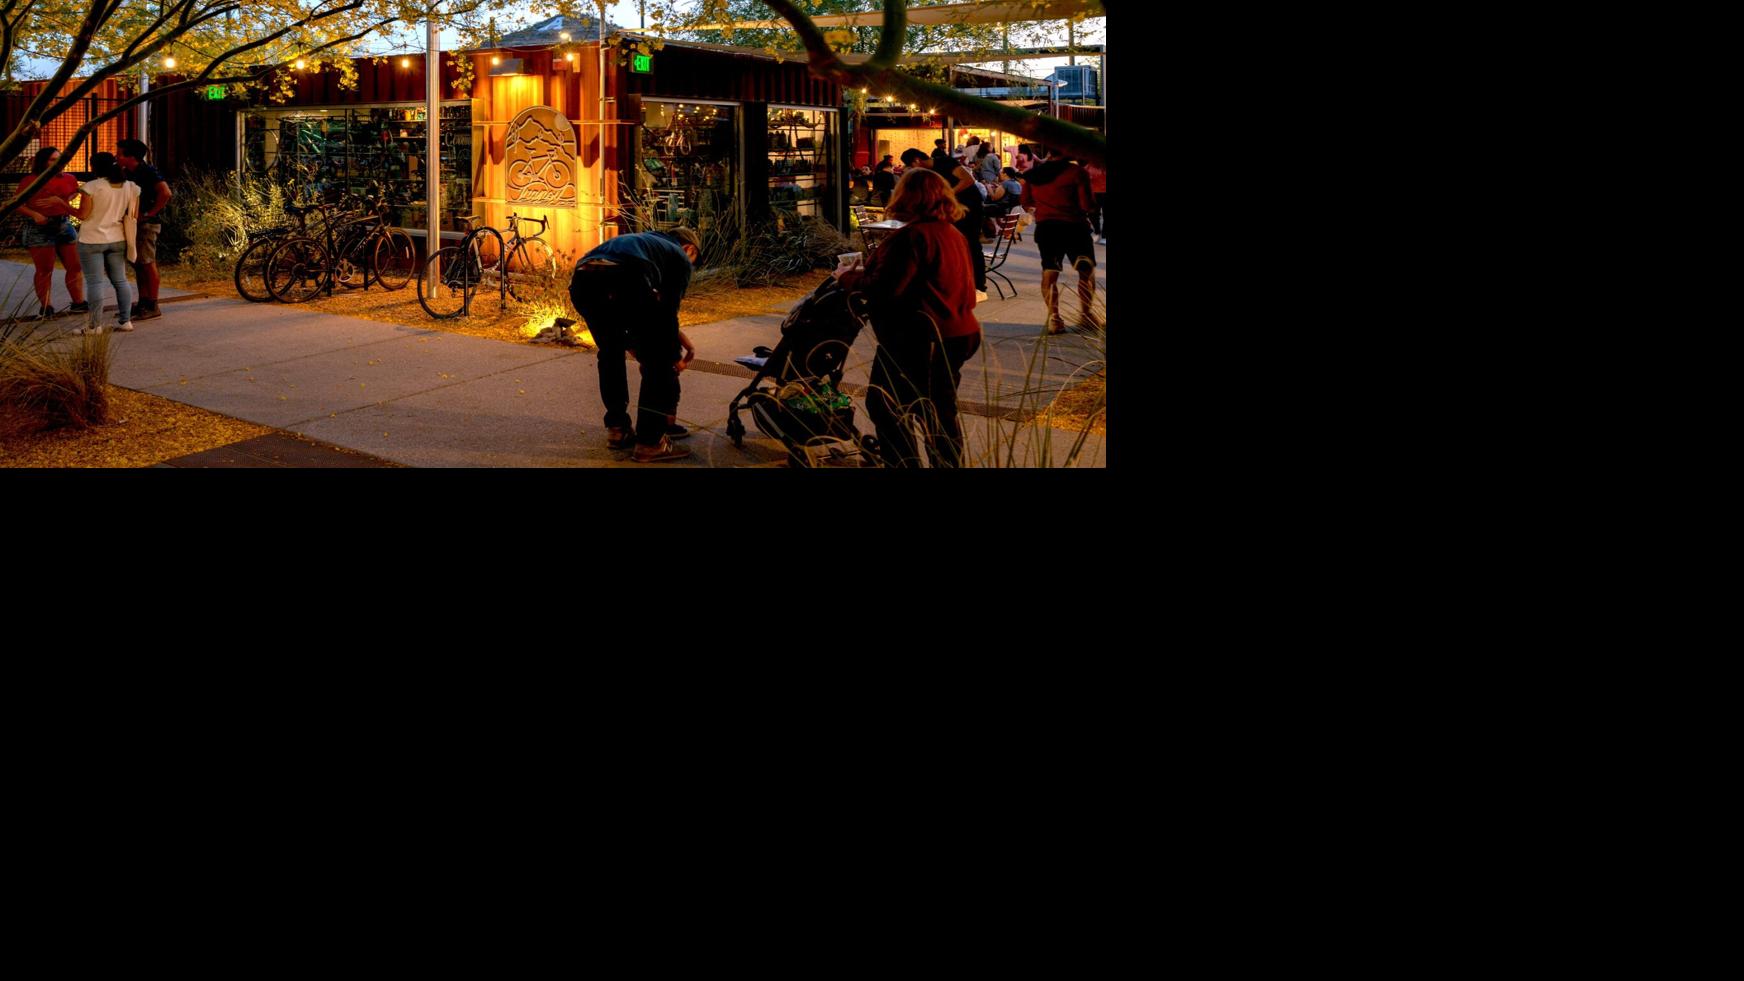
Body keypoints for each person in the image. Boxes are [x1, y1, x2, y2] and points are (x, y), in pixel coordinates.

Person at [835, 168, 981, 468]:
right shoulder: (952, 233)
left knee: (886, 405)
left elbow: (884, 288)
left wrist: (846, 278)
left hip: (917, 337)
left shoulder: (911, 237)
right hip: (956, 332)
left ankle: (903, 463)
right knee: (938, 412)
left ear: (905, 196)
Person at [567, 227, 701, 462]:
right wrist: (671, 357)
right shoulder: (678, 256)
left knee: (610, 352)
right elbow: (667, 315)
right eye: (694, 262)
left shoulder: (643, 243)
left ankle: (618, 429)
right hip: (626, 275)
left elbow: (649, 311)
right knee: (658, 362)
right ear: (689, 249)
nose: (691, 266)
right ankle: (650, 443)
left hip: (583, 279)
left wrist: (644, 349)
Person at [1020, 144, 1099, 334]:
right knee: (1085, 272)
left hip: (1047, 228)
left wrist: (1041, 210)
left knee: (1049, 272)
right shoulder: (1076, 172)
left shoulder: (1033, 174)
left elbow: (1026, 202)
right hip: (1075, 228)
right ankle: (1086, 314)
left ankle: (1054, 318)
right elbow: (1087, 205)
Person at [9, 146, 87, 319]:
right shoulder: (30, 180)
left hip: (63, 224)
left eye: (59, 158)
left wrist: (65, 200)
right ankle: (46, 308)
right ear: (43, 162)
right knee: (45, 270)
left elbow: (74, 192)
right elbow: (16, 203)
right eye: (53, 159)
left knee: (75, 266)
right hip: (39, 227)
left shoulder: (69, 178)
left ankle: (79, 303)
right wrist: (35, 214)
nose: (58, 162)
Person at [68, 152, 139, 336]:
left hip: (91, 239)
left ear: (94, 167)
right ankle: (126, 321)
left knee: (95, 282)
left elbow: (83, 215)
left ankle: (94, 326)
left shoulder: (91, 187)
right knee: (121, 280)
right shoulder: (130, 186)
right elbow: (133, 214)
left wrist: (62, 205)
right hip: (117, 238)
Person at [902, 146, 986, 302]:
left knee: (971, 244)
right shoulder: (929, 174)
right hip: (953, 210)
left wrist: (949, 194)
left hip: (970, 207)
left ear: (917, 160)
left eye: (912, 166)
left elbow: (968, 179)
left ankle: (979, 286)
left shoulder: (945, 162)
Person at [115, 138, 171, 322]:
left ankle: (152, 303)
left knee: (147, 262)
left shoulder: (148, 172)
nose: (117, 157)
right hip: (134, 222)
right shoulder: (128, 173)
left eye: (120, 154)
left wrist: (149, 213)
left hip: (147, 223)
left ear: (131, 156)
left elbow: (165, 193)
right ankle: (143, 301)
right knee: (138, 263)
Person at [1084, 160, 1106, 244]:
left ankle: (1104, 235)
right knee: (1092, 214)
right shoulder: (1088, 167)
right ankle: (1097, 231)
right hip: (1094, 193)